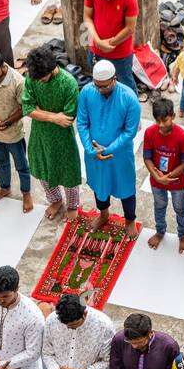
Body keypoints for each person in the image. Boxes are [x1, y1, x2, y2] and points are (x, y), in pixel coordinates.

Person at [77, 60, 140, 231]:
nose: (100, 90)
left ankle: (129, 221)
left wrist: (108, 149)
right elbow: (82, 123)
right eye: (97, 85)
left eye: (104, 86)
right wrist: (91, 150)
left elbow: (130, 132)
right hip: (94, 154)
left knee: (126, 187)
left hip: (119, 155)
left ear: (114, 79)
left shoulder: (129, 98)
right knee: (99, 185)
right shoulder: (87, 92)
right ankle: (103, 214)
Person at [22, 45, 83, 221]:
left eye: (43, 77)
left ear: (52, 68)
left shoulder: (69, 83)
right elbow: (27, 108)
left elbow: (68, 119)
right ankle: (55, 200)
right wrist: (54, 117)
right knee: (42, 170)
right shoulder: (32, 78)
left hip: (63, 138)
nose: (40, 81)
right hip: (40, 134)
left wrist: (40, 112)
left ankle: (72, 205)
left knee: (68, 173)